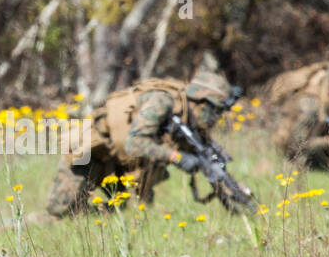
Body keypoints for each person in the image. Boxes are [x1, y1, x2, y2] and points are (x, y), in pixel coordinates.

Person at [45, 70, 234, 217]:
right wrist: (176, 157)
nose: (216, 118)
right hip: (89, 155)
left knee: (124, 215)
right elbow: (134, 143)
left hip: (121, 167)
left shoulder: (188, 118)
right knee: (60, 213)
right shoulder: (162, 102)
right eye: (214, 111)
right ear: (200, 102)